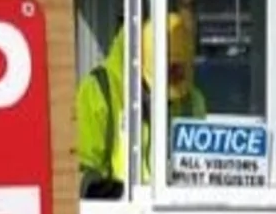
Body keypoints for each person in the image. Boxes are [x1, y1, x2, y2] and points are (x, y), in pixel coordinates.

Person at [75, 10, 205, 198]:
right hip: (118, 212)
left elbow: (202, 167)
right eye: (167, 72)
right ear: (140, 62)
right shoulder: (100, 90)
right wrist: (112, 193)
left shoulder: (192, 100)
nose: (169, 96)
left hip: (177, 209)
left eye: (177, 73)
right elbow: (80, 169)